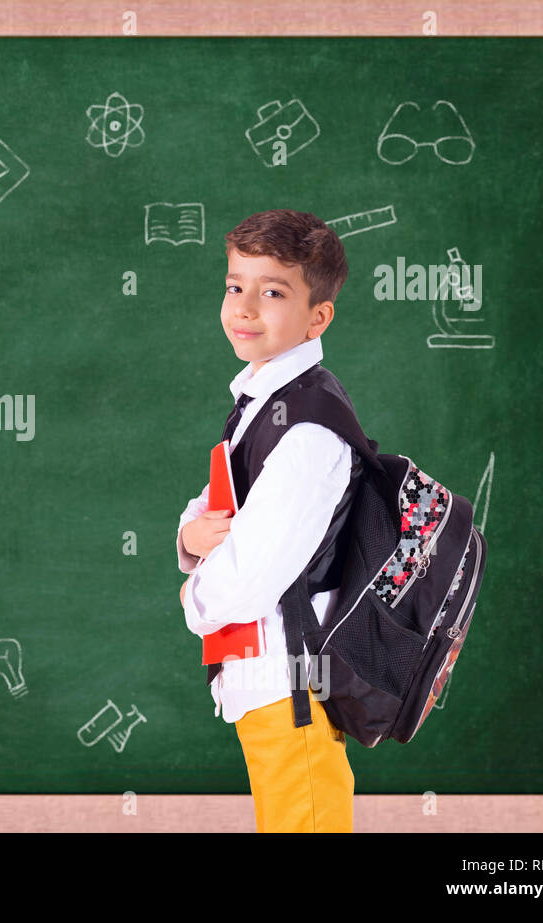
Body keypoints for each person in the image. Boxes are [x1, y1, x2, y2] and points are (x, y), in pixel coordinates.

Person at [176, 209, 359, 833]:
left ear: (318, 317)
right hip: (265, 678)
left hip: (292, 681)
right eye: (235, 286)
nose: (246, 307)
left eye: (273, 291)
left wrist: (194, 596)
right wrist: (188, 536)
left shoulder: (306, 428)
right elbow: (212, 505)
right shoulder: (262, 404)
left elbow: (252, 574)